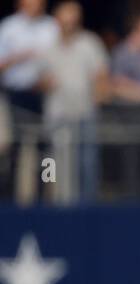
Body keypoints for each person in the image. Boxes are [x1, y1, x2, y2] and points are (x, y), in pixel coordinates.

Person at [36, 1, 105, 203]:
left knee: (87, 164)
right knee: (57, 166)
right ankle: (61, 208)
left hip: (85, 114)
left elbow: (101, 76)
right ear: (57, 21)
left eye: (73, 21)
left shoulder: (90, 43)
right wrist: (45, 83)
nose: (69, 25)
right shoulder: (47, 47)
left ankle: (87, 208)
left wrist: (98, 96)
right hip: (58, 117)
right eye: (65, 21)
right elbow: (40, 80)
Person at [0, 0, 58, 200]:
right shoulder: (8, 27)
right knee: (15, 147)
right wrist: (19, 57)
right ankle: (10, 196)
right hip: (18, 94)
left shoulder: (52, 26)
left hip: (46, 96)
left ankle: (46, 195)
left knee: (47, 148)